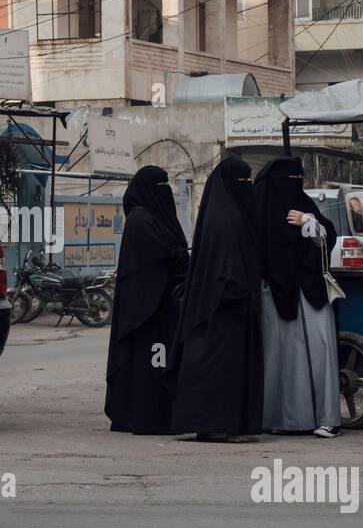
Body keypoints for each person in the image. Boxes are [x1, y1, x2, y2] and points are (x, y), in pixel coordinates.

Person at [168, 157, 264, 443]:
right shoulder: (229, 221)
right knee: (227, 370)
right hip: (225, 312)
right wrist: (241, 297)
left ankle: (211, 425)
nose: (248, 188)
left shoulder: (218, 214)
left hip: (213, 312)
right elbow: (228, 271)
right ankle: (225, 426)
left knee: (214, 369)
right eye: (244, 182)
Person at [254, 156, 341, 438]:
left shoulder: (304, 206)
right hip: (275, 294)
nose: (295, 185)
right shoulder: (258, 214)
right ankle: (282, 419)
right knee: (280, 357)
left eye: (298, 179)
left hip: (309, 292)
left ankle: (326, 419)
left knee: (320, 349)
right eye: (289, 180)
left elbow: (326, 238)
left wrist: (308, 222)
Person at [104, 165, 189, 434]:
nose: (165, 193)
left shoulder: (155, 218)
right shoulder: (141, 220)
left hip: (161, 307)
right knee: (148, 369)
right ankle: (145, 417)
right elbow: (159, 259)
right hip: (146, 311)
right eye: (160, 186)